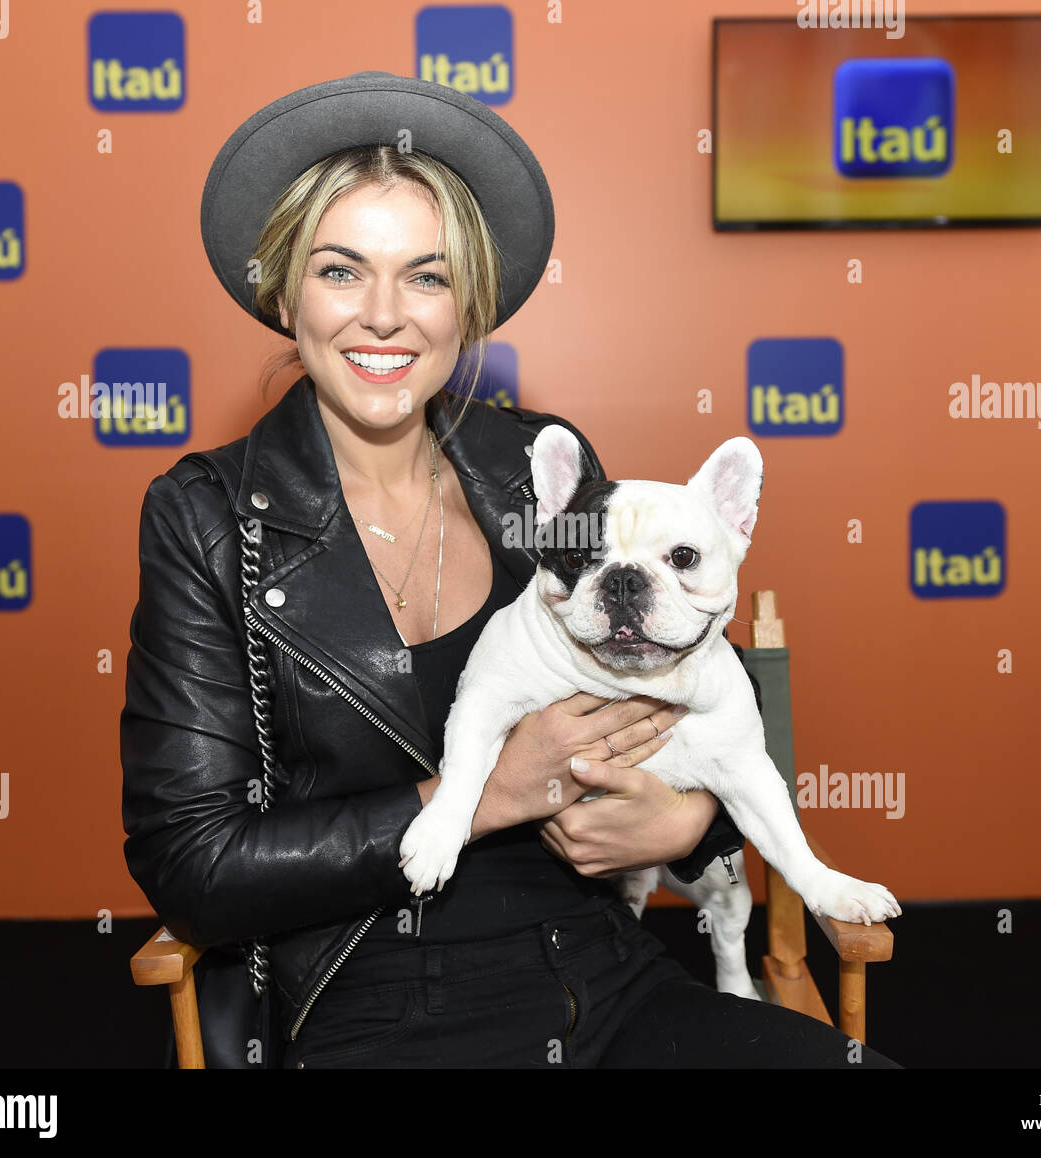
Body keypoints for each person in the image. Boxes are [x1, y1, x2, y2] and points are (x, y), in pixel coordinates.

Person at [120, 71, 900, 1069]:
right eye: (342, 271)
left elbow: (710, 684)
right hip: (364, 995)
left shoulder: (536, 465)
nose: (386, 316)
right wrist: (487, 794)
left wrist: (684, 821)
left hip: (603, 969)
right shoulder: (208, 516)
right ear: (283, 290)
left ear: (468, 303)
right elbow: (193, 866)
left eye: (429, 276)